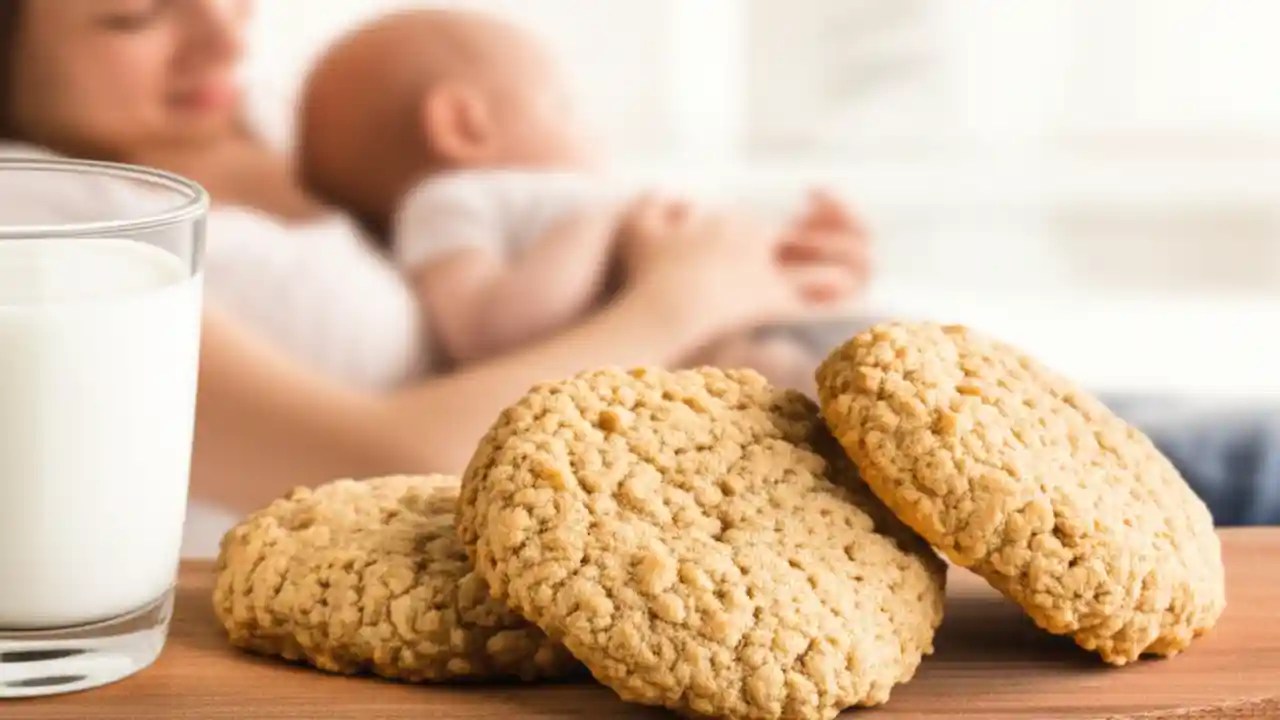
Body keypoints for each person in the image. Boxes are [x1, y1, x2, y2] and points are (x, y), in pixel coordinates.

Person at [0, 0, 865, 553]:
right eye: (135, 16)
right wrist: (683, 296)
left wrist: (768, 266)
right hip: (341, 601)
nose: (226, 34)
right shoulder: (43, 220)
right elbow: (385, 459)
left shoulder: (261, 120)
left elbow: (511, 237)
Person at [300, 9, 868, 388]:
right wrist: (592, 222)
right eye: (562, 106)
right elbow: (489, 332)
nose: (589, 133)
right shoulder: (446, 201)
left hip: (769, 319)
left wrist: (800, 252)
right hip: (727, 358)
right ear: (463, 123)